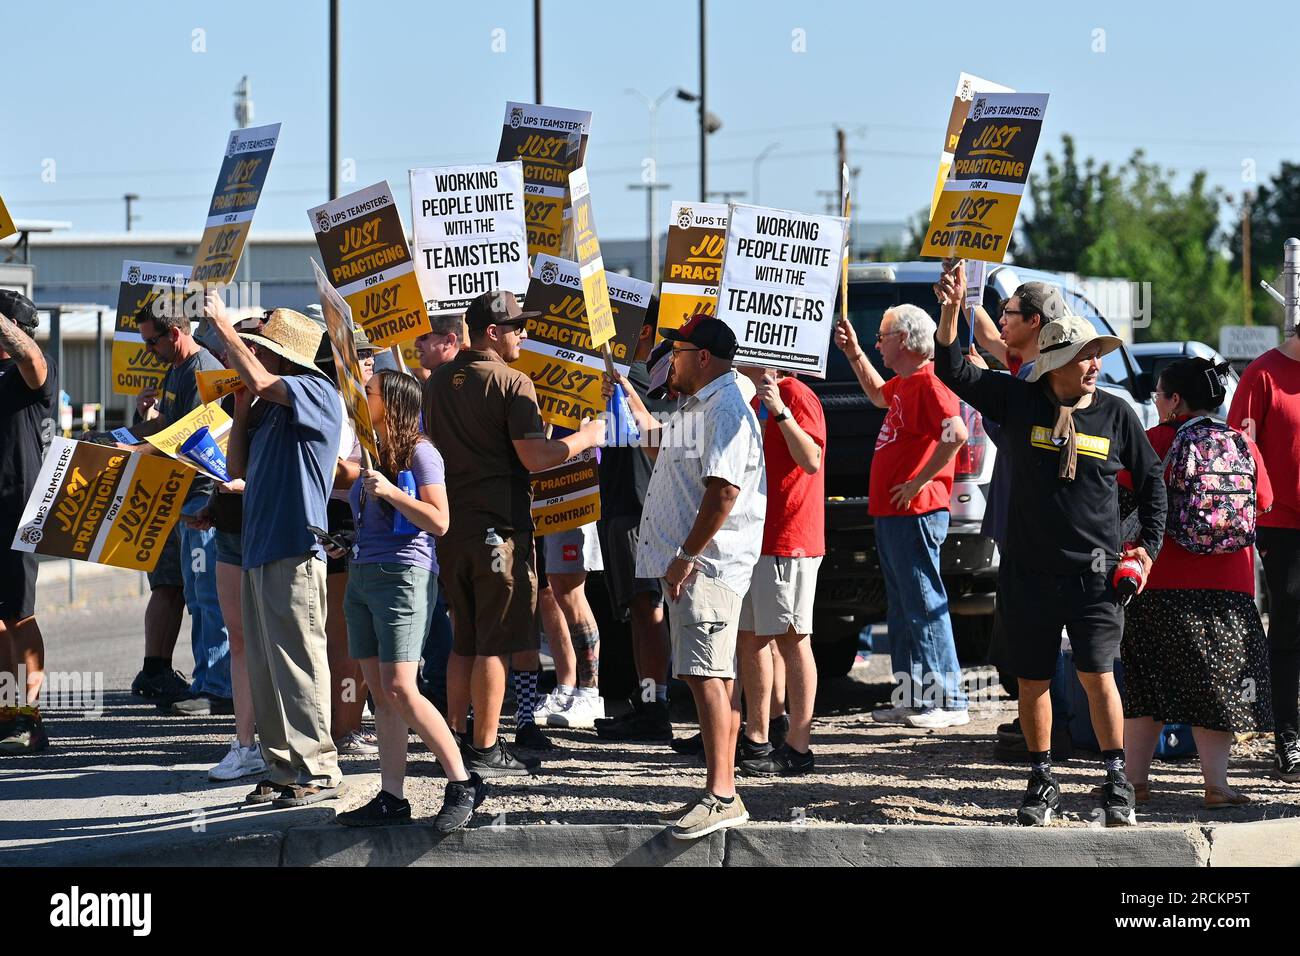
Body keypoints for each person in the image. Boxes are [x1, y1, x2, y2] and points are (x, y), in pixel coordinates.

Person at [934, 262, 1166, 827]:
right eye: (1085, 356)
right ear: (1057, 363)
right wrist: (951, 309)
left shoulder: (1116, 412)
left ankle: (1117, 782)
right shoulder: (1017, 401)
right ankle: (1041, 780)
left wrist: (1147, 550)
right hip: (1028, 571)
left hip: (1095, 574)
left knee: (1097, 674)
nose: (1095, 365)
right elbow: (951, 369)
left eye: (1097, 355)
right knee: (1033, 678)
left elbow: (1154, 482)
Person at [424, 290, 604, 777]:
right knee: (495, 643)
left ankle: (458, 736)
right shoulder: (513, 382)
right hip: (499, 530)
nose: (523, 334)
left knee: (464, 638)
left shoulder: (437, 381)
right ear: (490, 332)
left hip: (452, 528)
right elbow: (535, 458)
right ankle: (484, 746)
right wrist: (585, 438)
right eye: (516, 327)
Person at [615, 312, 766, 839]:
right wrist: (626, 393)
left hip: (708, 566)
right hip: (697, 566)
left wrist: (684, 555)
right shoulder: (701, 405)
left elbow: (724, 492)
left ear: (703, 357)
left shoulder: (725, 407)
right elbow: (662, 450)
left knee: (706, 679)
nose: (668, 361)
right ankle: (723, 790)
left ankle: (722, 794)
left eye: (676, 351)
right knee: (713, 677)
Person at [330, 370, 487, 829]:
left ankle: (462, 782)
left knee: (401, 686)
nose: (362, 397)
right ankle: (391, 797)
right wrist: (345, 539)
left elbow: (440, 521)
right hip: (363, 574)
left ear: (393, 401)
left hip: (404, 576)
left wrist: (395, 493)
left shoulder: (422, 452)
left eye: (370, 391)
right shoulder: (371, 453)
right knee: (381, 694)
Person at [206, 293, 344, 807]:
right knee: (266, 663)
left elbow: (264, 381)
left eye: (257, 348)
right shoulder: (266, 404)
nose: (250, 357)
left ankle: (318, 766)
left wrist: (222, 323)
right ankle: (283, 763)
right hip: (260, 545)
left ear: (282, 356)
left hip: (294, 544)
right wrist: (242, 408)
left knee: (299, 659)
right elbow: (236, 468)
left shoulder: (317, 390)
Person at [1119, 358, 1274, 807]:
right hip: (1230, 588)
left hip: (1158, 585)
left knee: (1145, 687)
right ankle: (1217, 786)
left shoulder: (1154, 441)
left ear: (1175, 401)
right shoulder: (1242, 444)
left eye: (1159, 394)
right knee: (1218, 689)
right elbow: (1264, 501)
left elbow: (1123, 490)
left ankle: (1134, 782)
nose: (1155, 401)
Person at [834, 303, 969, 728]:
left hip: (916, 510)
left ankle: (948, 700)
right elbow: (876, 394)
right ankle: (914, 696)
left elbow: (958, 434)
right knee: (904, 605)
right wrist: (856, 353)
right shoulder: (907, 383)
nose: (879, 343)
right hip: (896, 512)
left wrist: (917, 481)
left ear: (908, 341)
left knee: (924, 602)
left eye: (883, 336)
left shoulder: (929, 384)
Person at [121, 296, 231, 716]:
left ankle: (217, 687)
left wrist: (133, 449)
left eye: (152, 343)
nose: (149, 351)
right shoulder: (177, 368)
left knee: (206, 596)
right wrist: (126, 434)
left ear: (176, 333)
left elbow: (188, 436)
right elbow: (166, 425)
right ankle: (210, 682)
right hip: (186, 497)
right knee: (196, 591)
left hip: (202, 492)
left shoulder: (202, 368)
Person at [186, 314, 267, 780]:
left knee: (276, 642)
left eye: (240, 348)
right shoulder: (226, 400)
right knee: (239, 640)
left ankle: (288, 742)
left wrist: (246, 488)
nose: (231, 357)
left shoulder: (283, 399)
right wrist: (215, 509)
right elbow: (222, 466)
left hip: (273, 535)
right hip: (232, 532)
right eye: (229, 349)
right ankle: (245, 744)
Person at [735, 366, 826, 776]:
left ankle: (799, 747)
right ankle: (756, 738)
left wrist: (780, 410)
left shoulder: (796, 394)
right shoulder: (750, 396)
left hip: (790, 535)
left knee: (792, 637)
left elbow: (811, 459)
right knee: (751, 637)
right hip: (757, 533)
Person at [593, 297, 676, 742]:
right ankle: (648, 700)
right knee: (641, 610)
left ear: (644, 331)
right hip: (628, 504)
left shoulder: (638, 379)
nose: (607, 333)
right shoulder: (646, 380)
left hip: (636, 507)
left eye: (618, 324)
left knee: (647, 609)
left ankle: (654, 706)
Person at [1229, 331, 1300, 781]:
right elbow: (1240, 450)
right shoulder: (1262, 375)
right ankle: (1288, 738)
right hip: (1282, 524)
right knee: (1289, 621)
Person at [0, 291, 56, 755]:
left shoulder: (33, 370)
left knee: (19, 614)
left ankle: (28, 717)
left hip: (18, 509)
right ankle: (5, 710)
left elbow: (30, 355)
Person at [316, 329, 376, 756]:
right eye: (363, 356)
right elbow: (333, 470)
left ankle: (346, 724)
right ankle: (345, 729)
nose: (370, 363)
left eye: (372, 356)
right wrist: (383, 472)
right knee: (346, 640)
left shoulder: (354, 402)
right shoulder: (337, 402)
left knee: (353, 639)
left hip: (352, 517)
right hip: (338, 517)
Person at [414, 314, 464, 714]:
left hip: (458, 515)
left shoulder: (466, 385)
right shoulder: (431, 387)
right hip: (435, 518)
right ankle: (441, 691)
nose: (416, 345)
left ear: (450, 341)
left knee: (457, 614)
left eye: (425, 339)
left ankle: (450, 699)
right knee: (439, 605)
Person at [531, 523, 606, 729]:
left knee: (569, 589)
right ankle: (565, 690)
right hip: (541, 505)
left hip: (571, 503)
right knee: (547, 590)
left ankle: (590, 695)